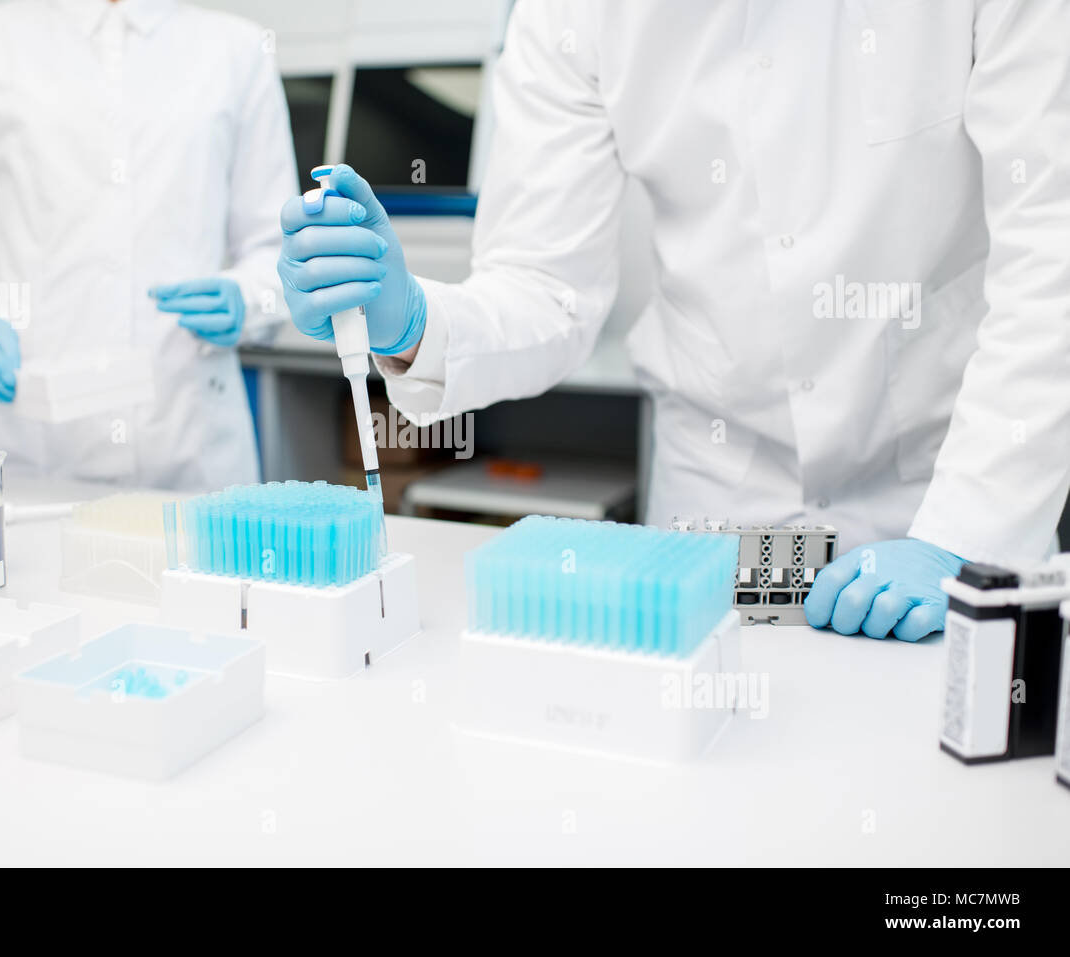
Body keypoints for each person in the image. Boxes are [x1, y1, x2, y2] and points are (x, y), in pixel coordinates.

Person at [277, 0, 1070, 641]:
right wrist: (413, 321)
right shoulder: (572, 16)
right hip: (721, 506)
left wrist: (961, 537)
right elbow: (546, 285)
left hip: (943, 490)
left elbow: (1053, 253)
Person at [0, 0, 296, 490]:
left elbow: (276, 246)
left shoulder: (237, 50)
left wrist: (247, 296)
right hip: (25, 443)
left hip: (188, 444)